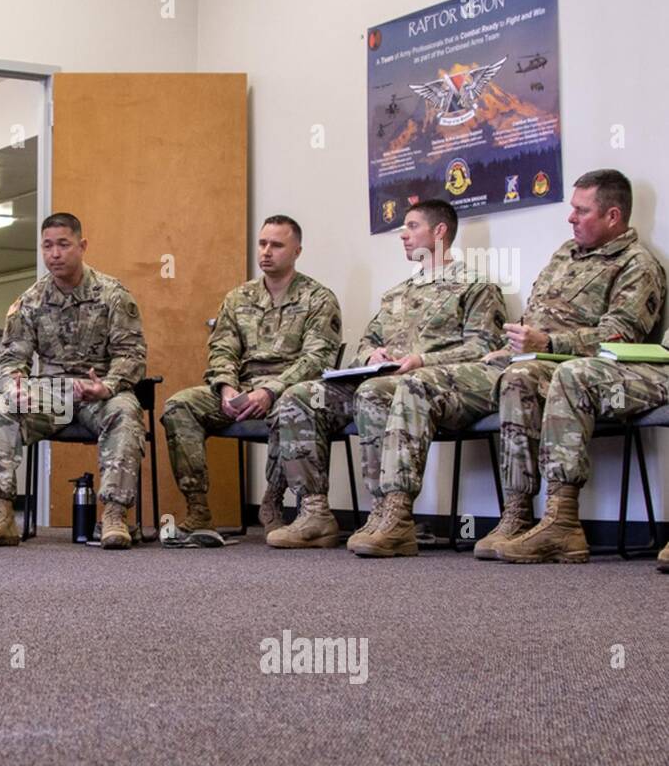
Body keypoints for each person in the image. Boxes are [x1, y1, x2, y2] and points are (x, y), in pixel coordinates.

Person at [356, 169, 665, 558]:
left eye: (580, 211)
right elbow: (534, 319)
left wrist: (550, 342)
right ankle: (397, 517)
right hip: (521, 359)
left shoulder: (637, 265)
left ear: (613, 216)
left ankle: (531, 515)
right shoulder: (563, 256)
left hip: (571, 365)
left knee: (520, 376)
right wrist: (508, 343)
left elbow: (622, 337)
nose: (570, 217)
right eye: (571, 209)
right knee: (417, 383)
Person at [268, 199, 505, 551]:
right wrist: (371, 354)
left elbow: (484, 348)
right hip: (382, 380)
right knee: (300, 397)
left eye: (412, 227)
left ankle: (389, 513)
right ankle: (314, 513)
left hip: (429, 387)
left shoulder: (475, 287)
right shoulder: (397, 294)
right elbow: (366, 340)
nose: (403, 236)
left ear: (439, 231)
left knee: (375, 392)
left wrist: (422, 360)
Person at [0, 212, 146, 549]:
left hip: (99, 392)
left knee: (125, 412)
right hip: (50, 396)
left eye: (63, 244)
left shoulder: (113, 295)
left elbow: (132, 355)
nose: (55, 254)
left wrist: (108, 385)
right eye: (48, 246)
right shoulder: (29, 301)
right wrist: (14, 386)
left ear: (82, 246)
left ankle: (115, 517)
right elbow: (11, 358)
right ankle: (1, 516)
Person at [160, 215, 341, 534]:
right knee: (180, 405)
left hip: (290, 389)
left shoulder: (318, 298)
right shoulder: (238, 298)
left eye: (277, 245)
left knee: (291, 404)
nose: (266, 251)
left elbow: (317, 358)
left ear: (297, 251)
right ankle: (198, 508)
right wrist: (227, 387)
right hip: (242, 389)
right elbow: (222, 350)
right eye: (262, 243)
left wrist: (270, 390)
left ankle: (273, 498)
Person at [497, 338, 669, 566]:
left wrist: (551, 343)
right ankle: (561, 521)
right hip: (659, 364)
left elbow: (621, 331)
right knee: (572, 374)